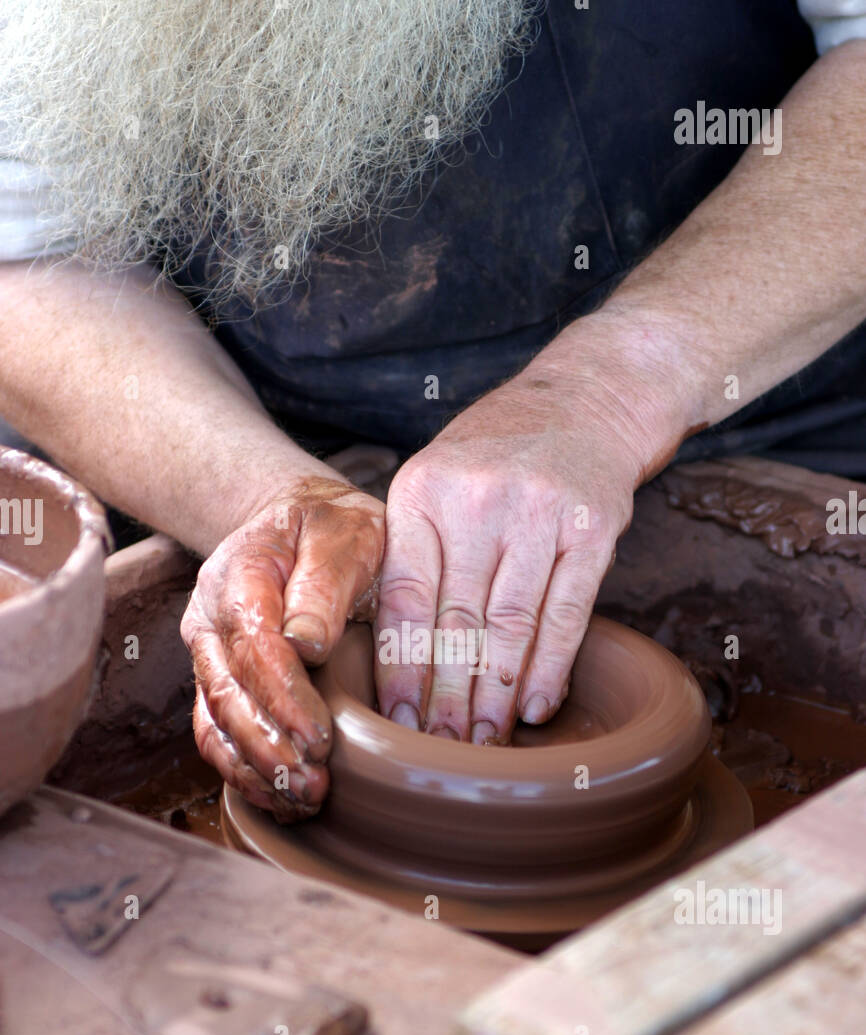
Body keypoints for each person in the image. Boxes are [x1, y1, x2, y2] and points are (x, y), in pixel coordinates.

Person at [0, 1, 864, 822]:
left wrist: (610, 392)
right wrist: (269, 498)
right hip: (242, 411)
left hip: (743, 374)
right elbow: (29, 262)